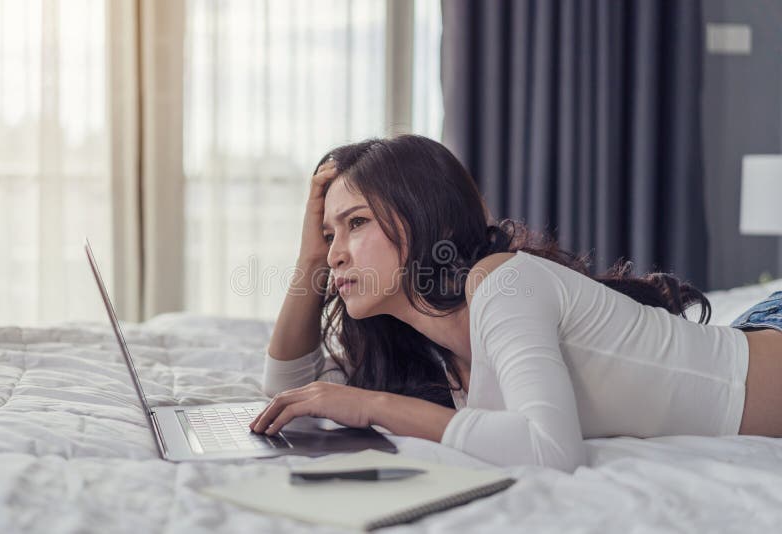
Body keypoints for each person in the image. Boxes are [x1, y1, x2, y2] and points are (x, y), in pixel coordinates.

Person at [248, 134, 782, 473]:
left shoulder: (502, 283)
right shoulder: (426, 351)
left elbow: (552, 450)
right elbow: (286, 389)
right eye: (329, 235)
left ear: (425, 217)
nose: (335, 254)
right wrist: (309, 255)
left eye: (357, 223)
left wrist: (374, 406)